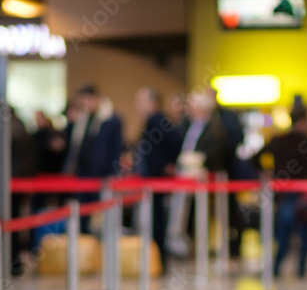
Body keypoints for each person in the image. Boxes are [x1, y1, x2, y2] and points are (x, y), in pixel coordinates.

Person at [254, 106, 307, 278]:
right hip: (303, 195)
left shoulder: (278, 140)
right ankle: (301, 269)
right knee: (304, 231)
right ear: (303, 122)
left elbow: (254, 158)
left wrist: (266, 171)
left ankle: (277, 267)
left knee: (283, 231)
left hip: (282, 194)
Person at [167, 90, 228, 258]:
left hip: (202, 174)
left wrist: (198, 160)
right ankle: (177, 240)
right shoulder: (187, 125)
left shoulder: (215, 127)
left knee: (203, 213)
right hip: (184, 173)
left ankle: (202, 246)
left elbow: (215, 151)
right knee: (179, 208)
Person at [61, 84, 124, 233]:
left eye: (87, 100)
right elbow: (72, 147)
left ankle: (101, 251)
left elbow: (116, 149)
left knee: (101, 219)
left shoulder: (111, 120)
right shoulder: (81, 120)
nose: (85, 105)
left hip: (102, 177)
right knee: (82, 216)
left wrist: (112, 173)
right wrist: (71, 122)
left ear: (95, 99)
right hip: (83, 176)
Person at [133, 88, 180, 270]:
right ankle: (155, 259)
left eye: (141, 101)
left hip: (155, 181)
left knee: (156, 221)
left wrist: (167, 163)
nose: (138, 105)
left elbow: (175, 141)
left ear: (151, 102)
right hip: (151, 180)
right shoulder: (154, 120)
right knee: (153, 219)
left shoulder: (157, 120)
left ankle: (158, 259)